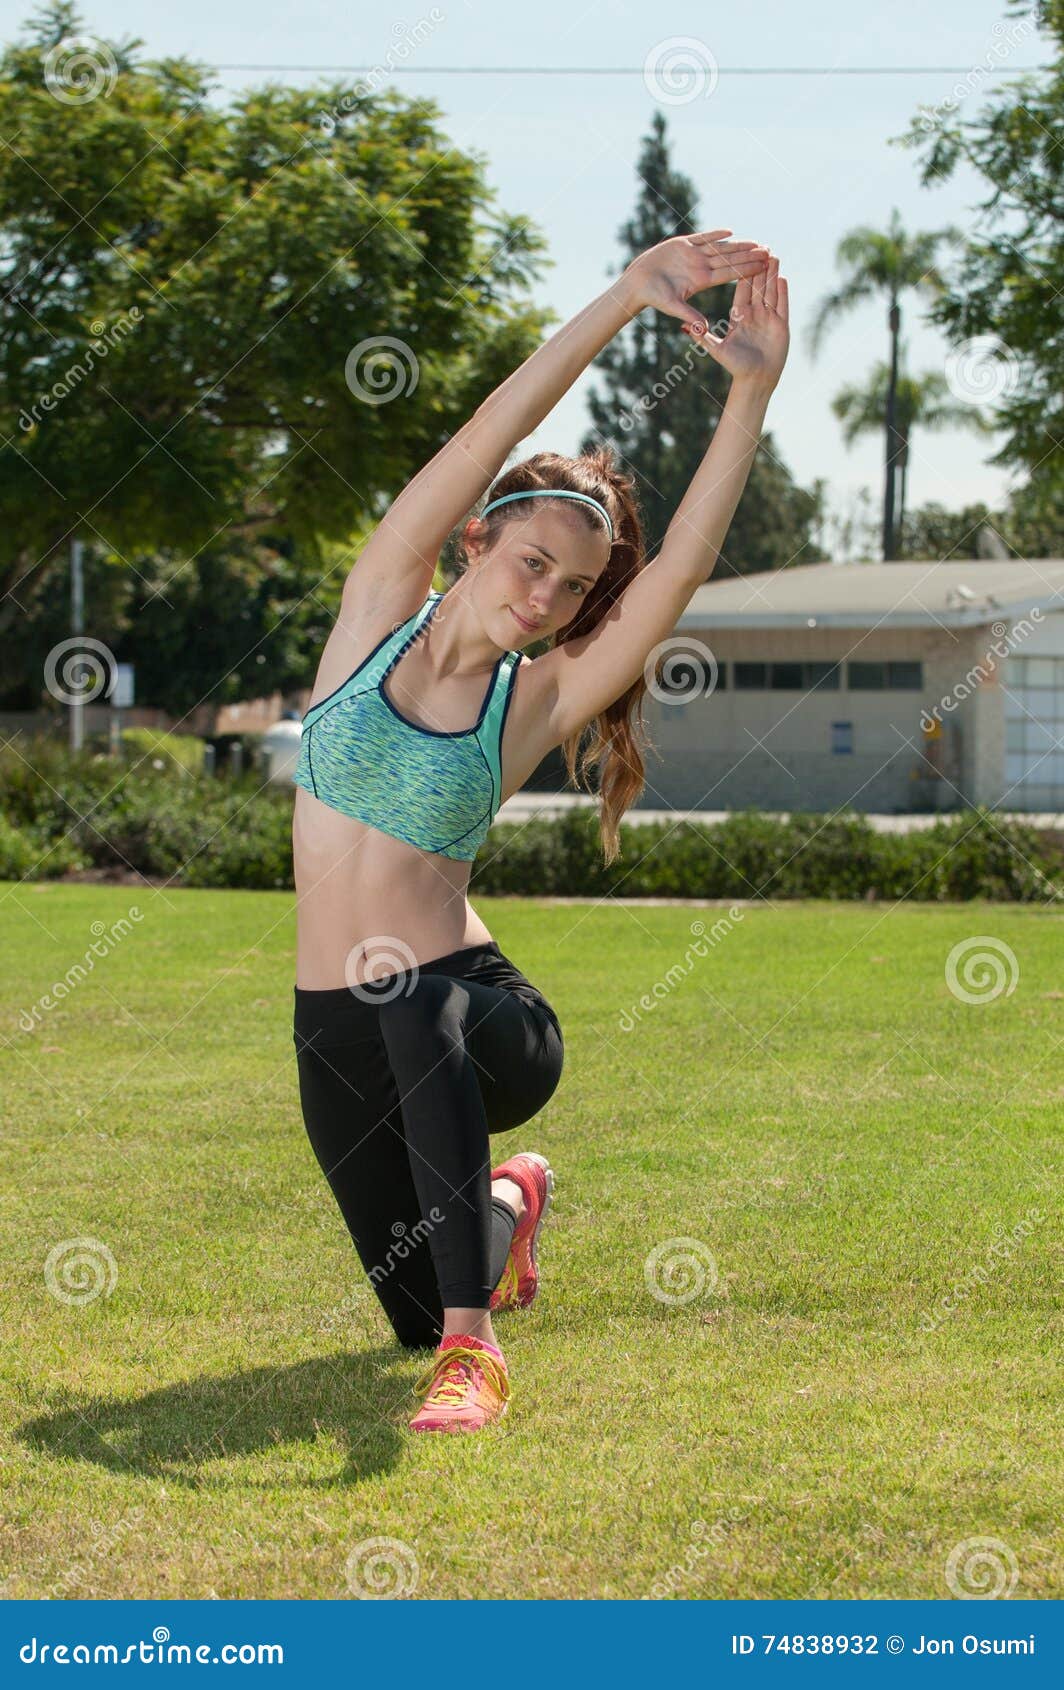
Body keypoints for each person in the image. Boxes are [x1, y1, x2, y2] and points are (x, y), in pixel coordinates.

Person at [291, 230, 789, 1434]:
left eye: (571, 589)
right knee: (408, 1295)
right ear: (476, 540)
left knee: (417, 999)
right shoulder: (373, 611)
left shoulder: (534, 700)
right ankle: (507, 1212)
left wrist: (751, 393)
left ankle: (476, 1353)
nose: (544, 597)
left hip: (480, 1014)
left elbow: (673, 572)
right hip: (329, 1032)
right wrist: (622, 296)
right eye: (531, 563)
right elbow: (482, 437)